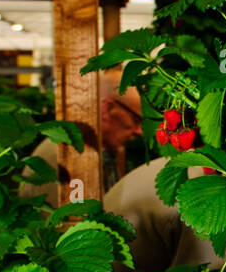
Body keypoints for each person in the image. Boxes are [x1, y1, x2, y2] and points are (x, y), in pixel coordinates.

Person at [23, 70, 144, 206]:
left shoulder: (109, 152)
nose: (139, 131)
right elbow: (63, 222)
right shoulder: (65, 156)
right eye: (135, 119)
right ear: (106, 109)